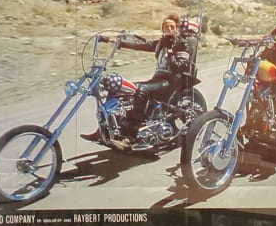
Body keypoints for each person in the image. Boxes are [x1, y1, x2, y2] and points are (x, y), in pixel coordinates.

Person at [82, 15, 199, 148]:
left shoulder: (182, 44)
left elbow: (180, 67)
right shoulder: (160, 43)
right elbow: (140, 45)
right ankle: (103, 131)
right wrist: (113, 41)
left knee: (141, 91)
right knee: (120, 88)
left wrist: (170, 51)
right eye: (166, 27)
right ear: (162, 29)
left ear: (177, 29)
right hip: (157, 79)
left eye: (172, 27)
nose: (169, 29)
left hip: (172, 81)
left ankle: (130, 137)